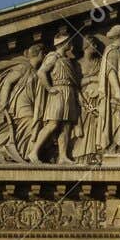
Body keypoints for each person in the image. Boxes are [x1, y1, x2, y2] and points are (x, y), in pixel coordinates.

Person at [28, 33, 79, 163]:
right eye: (68, 41)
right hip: (58, 92)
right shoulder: (53, 56)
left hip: (69, 91)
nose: (71, 44)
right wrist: (50, 88)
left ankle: (63, 156)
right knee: (53, 123)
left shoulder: (65, 58)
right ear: (63, 43)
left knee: (66, 125)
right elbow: (41, 72)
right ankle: (34, 152)